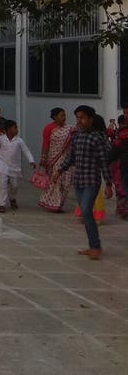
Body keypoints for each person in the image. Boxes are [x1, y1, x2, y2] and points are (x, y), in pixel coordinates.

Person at [54, 105, 113, 260]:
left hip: (91, 181)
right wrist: (59, 170)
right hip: (78, 180)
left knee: (86, 210)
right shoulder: (76, 137)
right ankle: (93, 245)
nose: (79, 121)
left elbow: (103, 162)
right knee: (86, 215)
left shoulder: (97, 138)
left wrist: (108, 184)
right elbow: (71, 158)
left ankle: (96, 246)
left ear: (90, 119)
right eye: (78, 117)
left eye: (82, 117)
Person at [73, 113, 109, 225]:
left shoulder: (99, 138)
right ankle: (85, 214)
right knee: (84, 194)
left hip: (93, 172)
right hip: (84, 172)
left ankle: (96, 216)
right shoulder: (83, 135)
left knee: (95, 195)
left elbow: (105, 153)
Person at [37, 107, 74, 212]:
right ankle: (56, 205)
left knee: (66, 183)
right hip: (54, 159)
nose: (64, 117)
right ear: (54, 117)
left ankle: (59, 203)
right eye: (61, 115)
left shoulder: (69, 129)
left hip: (67, 159)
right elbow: (45, 144)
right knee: (56, 182)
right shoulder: (48, 128)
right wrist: (43, 158)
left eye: (65, 115)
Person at [0, 120, 36, 212]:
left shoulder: (19, 141)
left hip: (14, 166)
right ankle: (1, 204)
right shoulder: (1, 139)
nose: (17, 129)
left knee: (15, 185)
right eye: (15, 127)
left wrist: (31, 160)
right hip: (3, 163)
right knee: (2, 184)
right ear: (9, 129)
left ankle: (12, 198)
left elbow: (26, 151)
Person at [108, 111, 128, 219]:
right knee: (121, 185)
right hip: (120, 165)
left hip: (122, 164)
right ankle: (123, 208)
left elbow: (114, 151)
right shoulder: (119, 133)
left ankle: (123, 208)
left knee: (122, 185)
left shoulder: (121, 134)